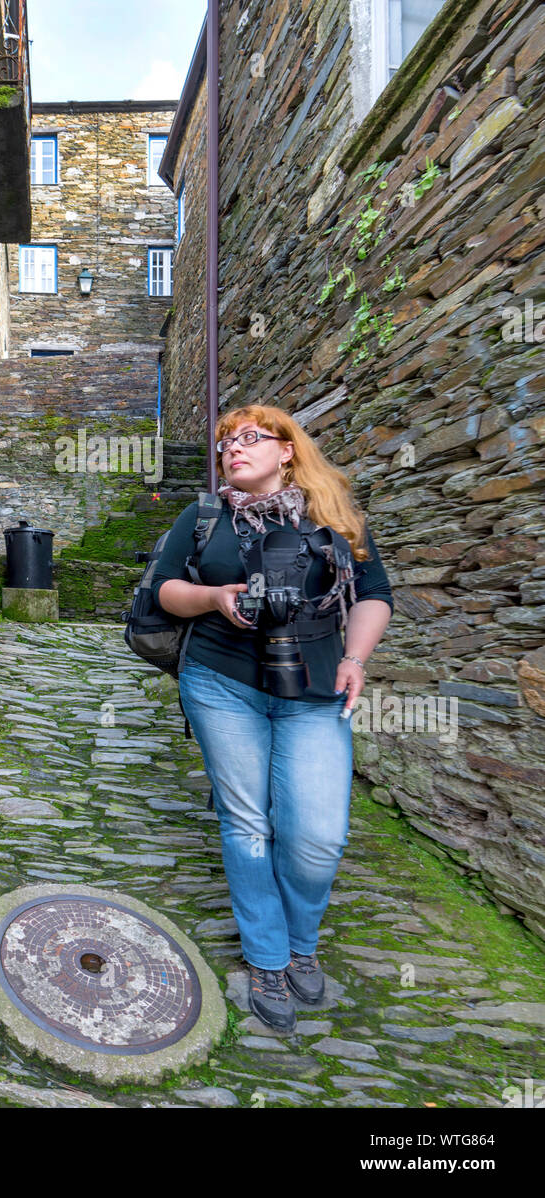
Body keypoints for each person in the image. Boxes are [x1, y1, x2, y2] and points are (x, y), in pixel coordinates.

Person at [151, 403, 393, 1032]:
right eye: (226, 441)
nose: (234, 447)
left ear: (288, 449)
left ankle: (301, 941)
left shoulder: (334, 517)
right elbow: (164, 591)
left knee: (318, 834)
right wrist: (214, 597)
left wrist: (356, 659)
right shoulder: (206, 515)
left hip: (314, 688)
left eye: (251, 438)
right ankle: (267, 956)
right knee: (248, 821)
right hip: (221, 681)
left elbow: (373, 595)